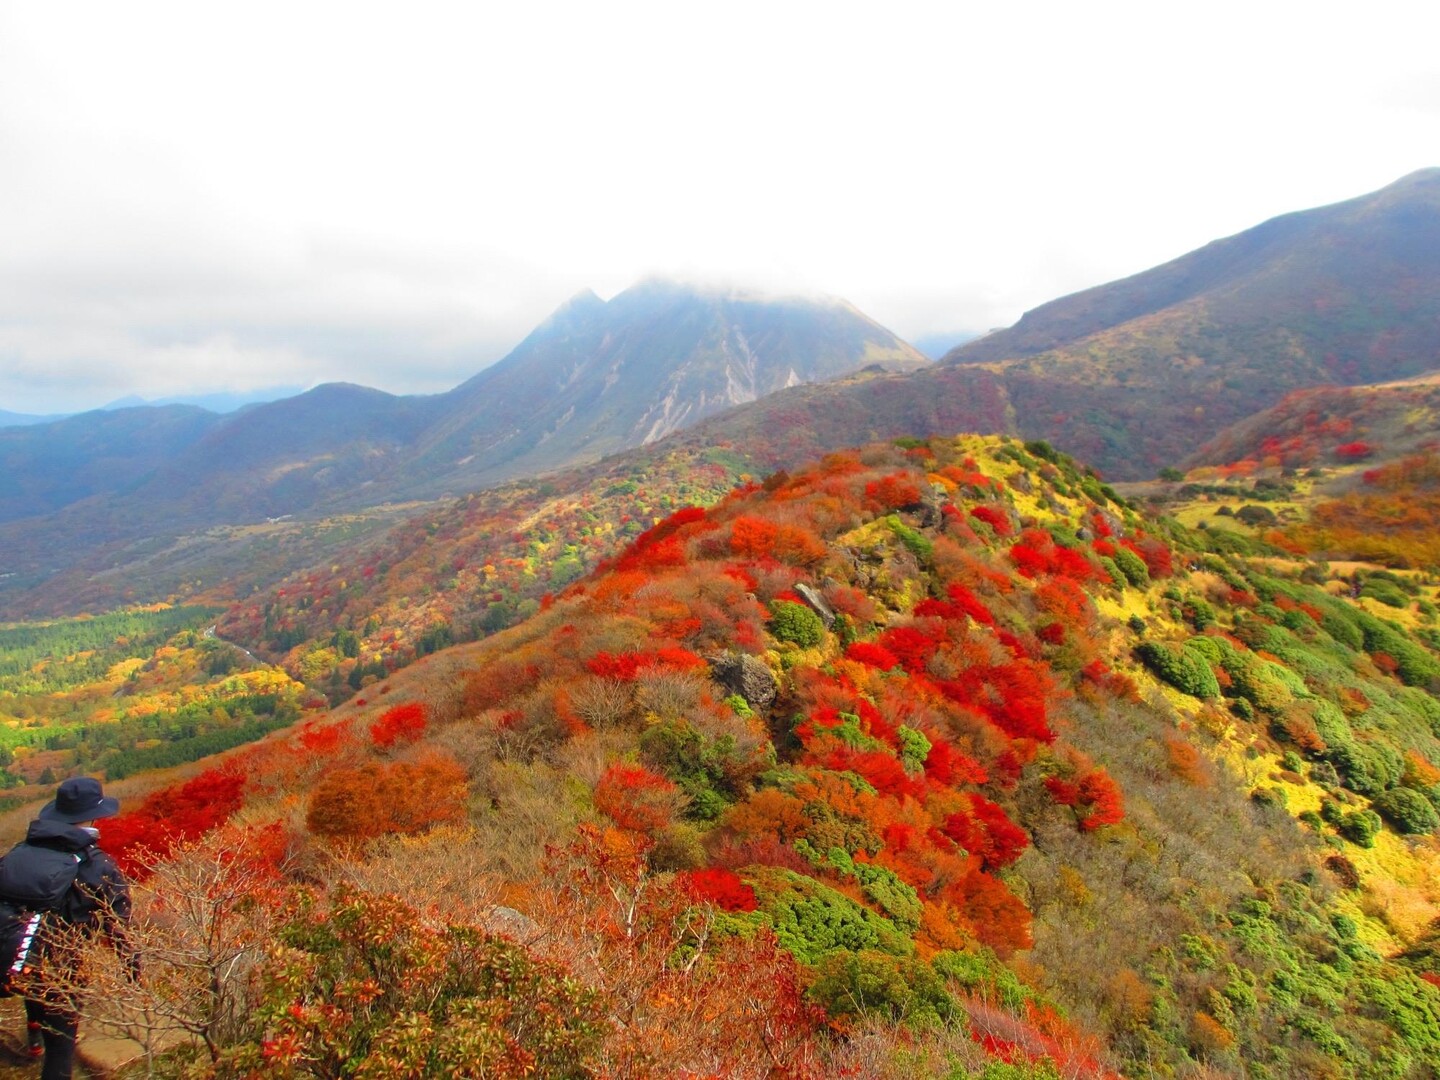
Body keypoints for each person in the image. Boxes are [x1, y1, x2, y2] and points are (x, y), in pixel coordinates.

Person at [0, 777, 132, 1080]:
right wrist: (130, 966)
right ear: (94, 817)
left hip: (11, 958)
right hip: (58, 968)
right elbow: (119, 923)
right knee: (61, 1054)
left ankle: (34, 1035)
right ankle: (47, 1051)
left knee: (29, 951)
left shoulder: (18, 853)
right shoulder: (97, 865)